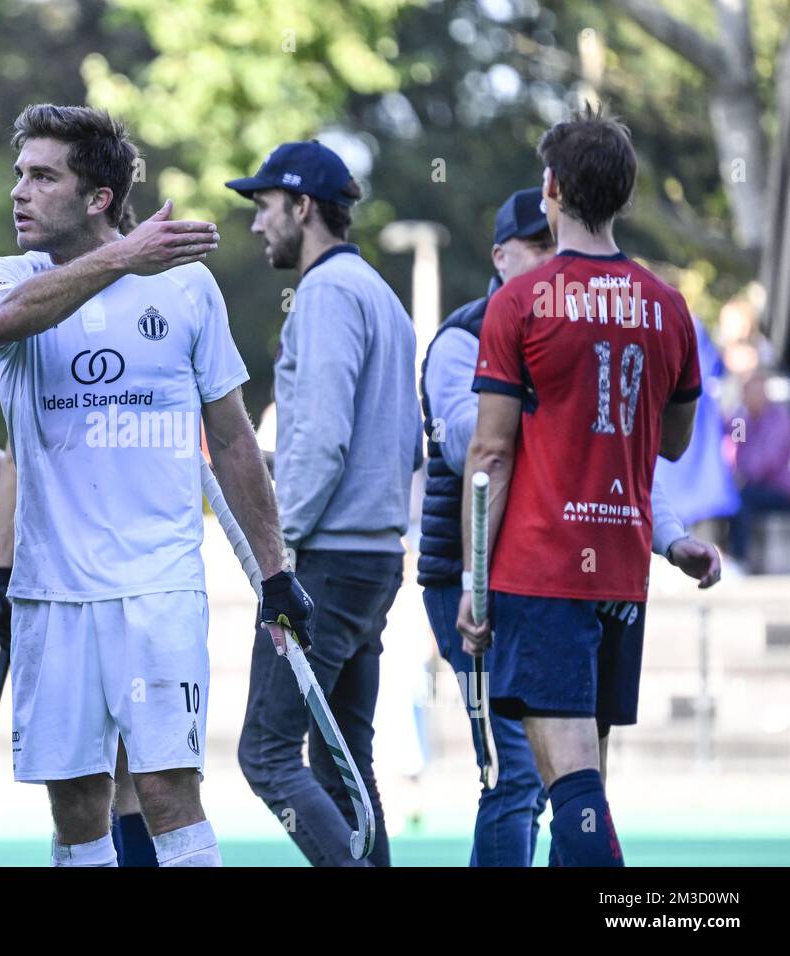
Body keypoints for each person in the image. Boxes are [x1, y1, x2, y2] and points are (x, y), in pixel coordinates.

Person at [0, 103, 312, 868]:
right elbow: (3, 324)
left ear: (98, 196)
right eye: (20, 175)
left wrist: (275, 572)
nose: (19, 192)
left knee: (165, 791)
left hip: (159, 587)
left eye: (43, 177)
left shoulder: (187, 288)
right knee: (77, 806)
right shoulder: (11, 277)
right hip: (52, 593)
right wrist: (123, 256)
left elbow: (233, 439)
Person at [421, 187, 721, 866]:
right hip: (475, 574)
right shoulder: (465, 336)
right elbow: (470, 445)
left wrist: (672, 537)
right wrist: (540, 398)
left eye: (553, 242)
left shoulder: (577, 320)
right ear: (499, 256)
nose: (551, 257)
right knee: (519, 775)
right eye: (536, 246)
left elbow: (626, 457)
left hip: (563, 571)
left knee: (573, 777)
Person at [225, 140, 420, 867]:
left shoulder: (327, 293)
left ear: (302, 207)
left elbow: (323, 439)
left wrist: (278, 557)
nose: (257, 223)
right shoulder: (379, 294)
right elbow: (397, 443)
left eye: (265, 206)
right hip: (373, 558)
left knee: (266, 754)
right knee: (342, 764)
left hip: (327, 563)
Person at [727, 367, 790, 567]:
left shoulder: (778, 419)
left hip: (779, 490)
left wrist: (741, 475)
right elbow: (735, 444)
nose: (747, 397)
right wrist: (738, 415)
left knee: (741, 498)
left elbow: (766, 461)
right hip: (754, 485)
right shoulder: (745, 420)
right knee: (727, 495)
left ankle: (739, 558)